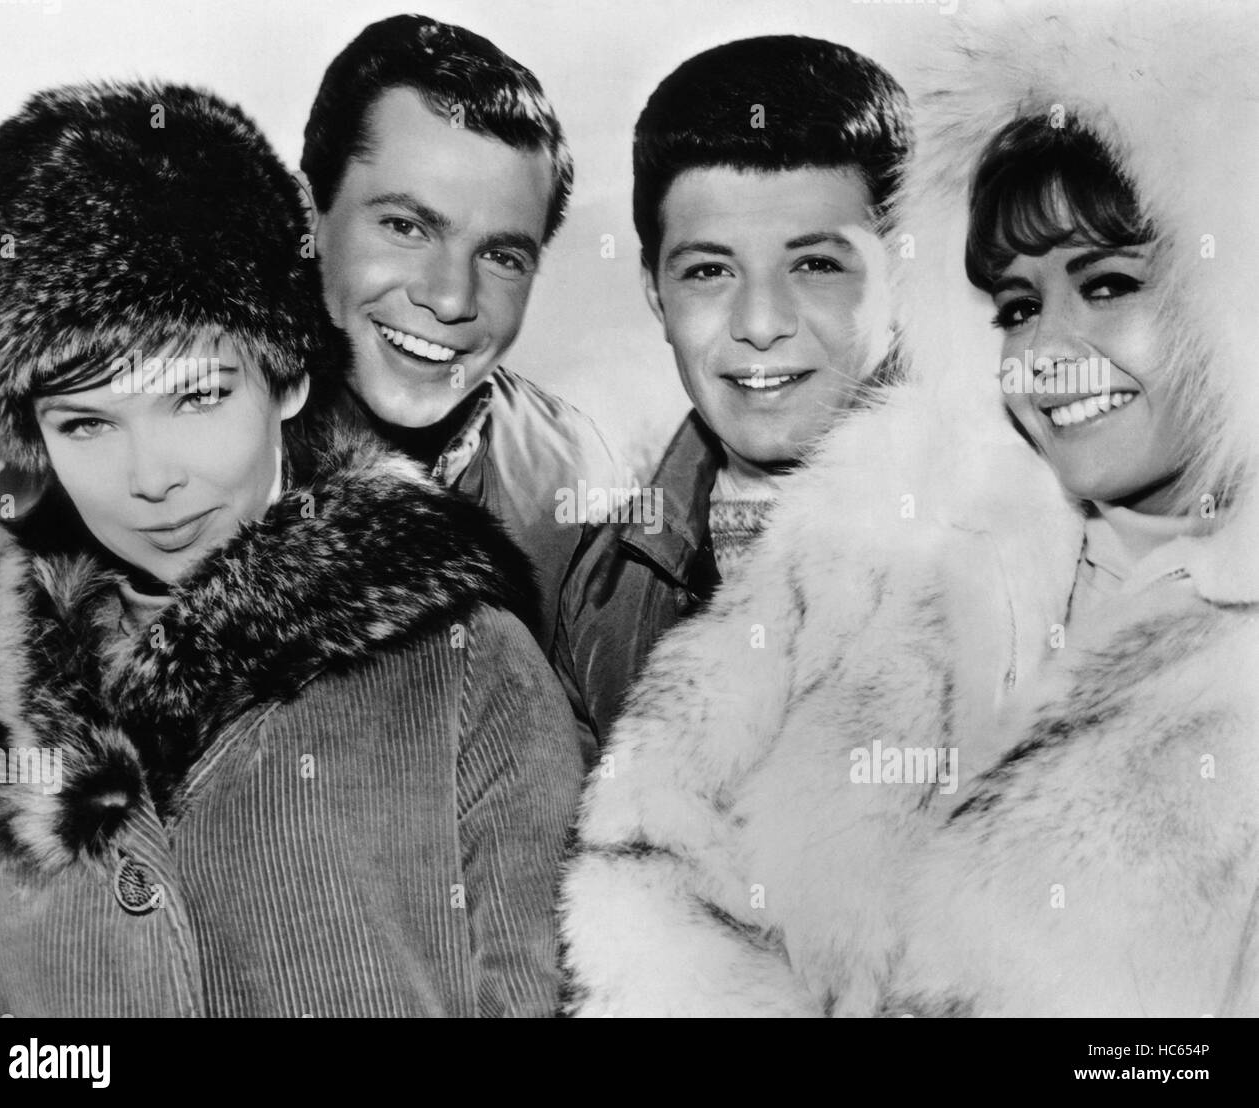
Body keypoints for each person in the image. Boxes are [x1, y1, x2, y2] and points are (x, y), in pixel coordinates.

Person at [560, 0, 1259, 1017]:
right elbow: (648, 861)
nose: (1045, 353)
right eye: (1015, 305)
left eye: (1107, 285)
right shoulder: (875, 530)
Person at [0, 81, 582, 1018]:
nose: (150, 477)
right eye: (86, 424)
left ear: (287, 377)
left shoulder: (472, 670)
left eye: (198, 398)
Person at [554, 36, 910, 758]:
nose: (760, 324)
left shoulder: (1007, 534)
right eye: (710, 272)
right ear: (656, 294)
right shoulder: (602, 586)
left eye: (815, 265)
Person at [296, 13, 631, 654]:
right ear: (308, 216)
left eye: (502, 258)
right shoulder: (191, 435)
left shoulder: (580, 481)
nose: (451, 298)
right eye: (405, 226)